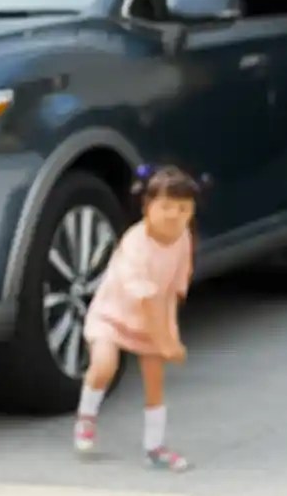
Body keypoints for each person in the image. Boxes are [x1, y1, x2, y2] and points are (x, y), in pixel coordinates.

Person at [74, 164, 204, 472]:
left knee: (155, 384)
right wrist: (165, 342)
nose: (174, 215)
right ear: (147, 207)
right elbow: (144, 299)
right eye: (166, 207)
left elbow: (173, 288)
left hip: (155, 316)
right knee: (105, 364)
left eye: (183, 209)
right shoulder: (136, 244)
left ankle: (155, 447)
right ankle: (86, 416)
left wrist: (170, 338)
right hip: (113, 316)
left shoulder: (183, 238)